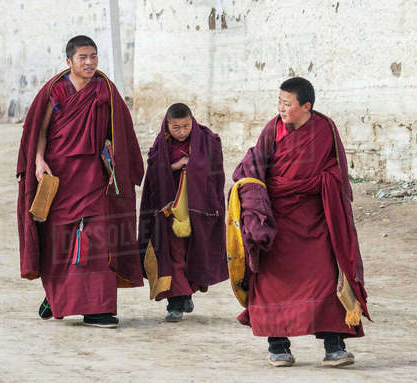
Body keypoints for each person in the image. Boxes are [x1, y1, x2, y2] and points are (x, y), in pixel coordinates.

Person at [231, 77, 371, 367]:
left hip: (315, 219)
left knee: (326, 278)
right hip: (277, 221)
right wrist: (253, 203)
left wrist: (321, 182)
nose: (281, 108)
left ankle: (335, 346)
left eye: (288, 103)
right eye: (279, 102)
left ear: (306, 106)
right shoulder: (271, 130)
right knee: (272, 282)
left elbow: (337, 173)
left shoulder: (325, 129)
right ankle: (278, 346)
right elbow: (252, 168)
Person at [16, 35, 145, 328]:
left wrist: (118, 165)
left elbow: (121, 131)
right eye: (83, 57)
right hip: (59, 177)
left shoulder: (105, 90)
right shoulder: (55, 90)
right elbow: (40, 129)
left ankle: (97, 310)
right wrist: (38, 161)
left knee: (98, 239)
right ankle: (56, 296)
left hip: (93, 177)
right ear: (69, 61)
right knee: (59, 241)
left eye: (93, 57)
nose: (89, 63)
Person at [138, 103, 228, 322]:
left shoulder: (207, 140)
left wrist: (194, 165)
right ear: (167, 126)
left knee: (194, 253)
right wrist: (175, 166)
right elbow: (153, 172)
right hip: (170, 210)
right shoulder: (162, 143)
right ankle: (176, 302)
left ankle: (186, 292)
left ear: (192, 122)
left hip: (198, 209)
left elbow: (216, 172)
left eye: (186, 126)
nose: (181, 132)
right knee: (173, 254)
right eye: (176, 127)